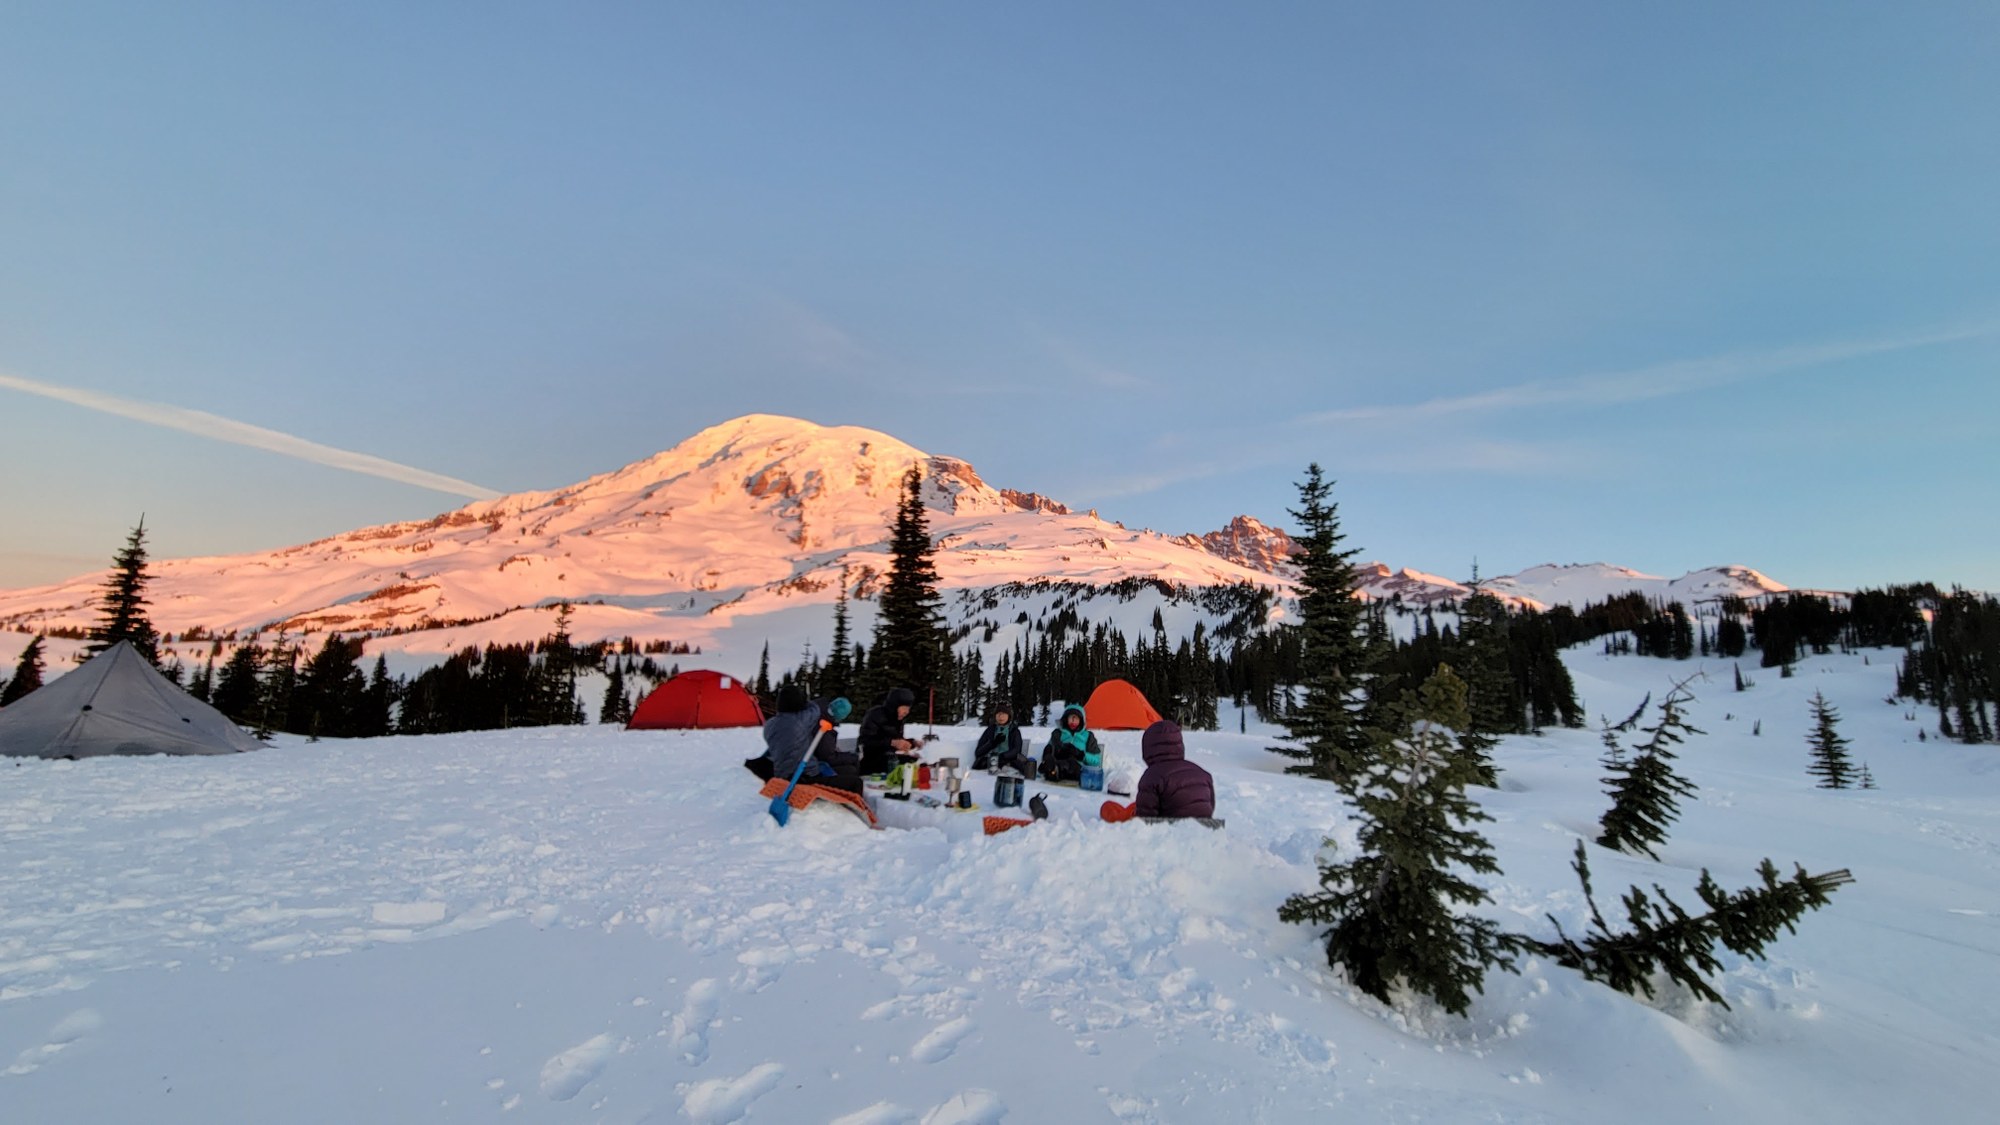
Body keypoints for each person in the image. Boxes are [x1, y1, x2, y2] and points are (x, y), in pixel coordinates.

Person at [1102, 720, 1214, 821]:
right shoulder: (1204, 775)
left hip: (1168, 830)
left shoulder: (1152, 777)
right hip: (1202, 828)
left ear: (1148, 748)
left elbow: (1146, 818)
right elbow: (1209, 807)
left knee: (1110, 808)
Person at [745, 687, 852, 785]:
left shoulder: (770, 725)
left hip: (780, 772)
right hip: (805, 775)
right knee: (849, 779)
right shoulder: (803, 720)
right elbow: (815, 708)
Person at [857, 686, 922, 775]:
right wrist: (892, 742)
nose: (907, 712)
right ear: (895, 706)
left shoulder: (897, 720)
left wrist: (912, 743)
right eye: (904, 708)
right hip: (872, 761)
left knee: (916, 762)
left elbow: (897, 741)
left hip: (890, 758)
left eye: (908, 709)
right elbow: (865, 741)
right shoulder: (875, 714)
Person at [1039, 703, 1101, 783]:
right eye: (1071, 718)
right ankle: (1053, 770)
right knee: (1052, 760)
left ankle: (1056, 770)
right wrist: (1048, 755)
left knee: (1072, 762)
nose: (1073, 721)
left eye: (1076, 719)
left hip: (1078, 770)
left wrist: (1080, 754)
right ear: (1066, 719)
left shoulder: (1088, 736)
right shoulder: (1058, 734)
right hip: (1058, 763)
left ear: (1081, 720)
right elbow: (1049, 749)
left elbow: (1096, 761)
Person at [973, 704, 1028, 773]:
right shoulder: (990, 730)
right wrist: (993, 743)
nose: (1001, 717)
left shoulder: (1014, 731)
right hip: (990, 761)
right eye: (998, 714)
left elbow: (1016, 750)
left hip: (1009, 761)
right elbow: (978, 752)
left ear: (1009, 716)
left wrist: (1002, 756)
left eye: (1004, 714)